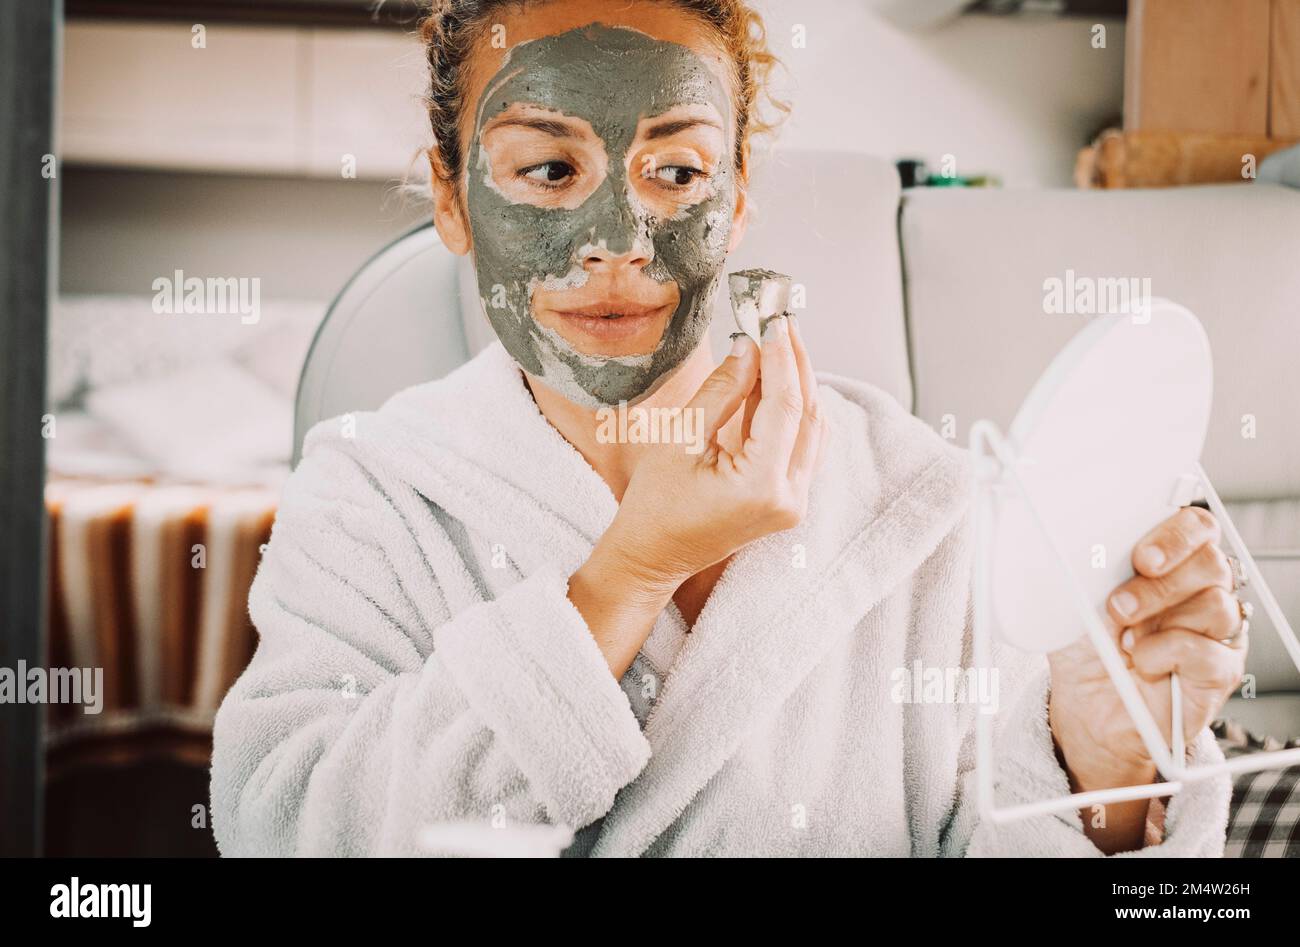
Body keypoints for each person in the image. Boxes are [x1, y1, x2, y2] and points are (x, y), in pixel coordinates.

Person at [211, 0, 1244, 857]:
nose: (617, 240)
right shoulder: (370, 494)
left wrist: (1101, 774)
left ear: (738, 196)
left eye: (675, 174)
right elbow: (283, 825)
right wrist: (627, 574)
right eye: (548, 171)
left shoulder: (919, 502)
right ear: (450, 199)